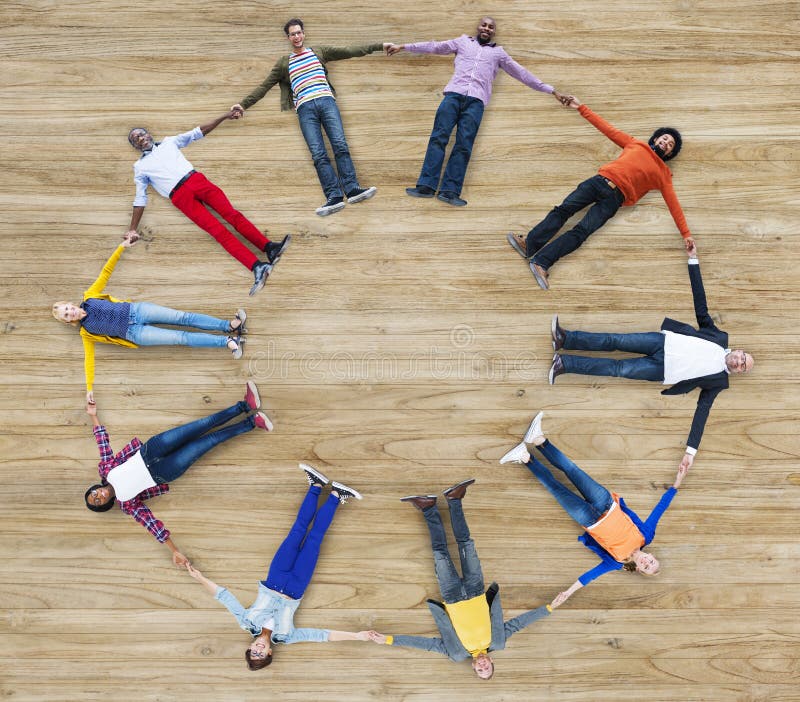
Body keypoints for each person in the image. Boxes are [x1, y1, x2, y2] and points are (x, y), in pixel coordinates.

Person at [548, 241, 753, 471]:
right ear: (737, 350)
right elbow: (701, 306)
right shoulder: (719, 337)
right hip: (663, 341)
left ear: (737, 371)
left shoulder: (718, 383)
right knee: (615, 340)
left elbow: (701, 413)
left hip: (660, 370)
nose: (739, 362)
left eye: (742, 367)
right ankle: (565, 339)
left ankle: (564, 364)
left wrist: (690, 452)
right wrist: (693, 260)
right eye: (742, 357)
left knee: (616, 369)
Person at [366, 479, 556, 679]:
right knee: (466, 543)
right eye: (487, 668)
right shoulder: (498, 641)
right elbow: (519, 624)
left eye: (480, 670)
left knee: (440, 552)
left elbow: (425, 645)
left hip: (451, 594)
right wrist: (549, 608)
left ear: (474, 667)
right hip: (475, 588)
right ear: (492, 662)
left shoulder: (456, 653)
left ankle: (428, 507)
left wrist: (388, 640)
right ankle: (454, 498)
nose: (482, 666)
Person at [185, 463, 367, 670]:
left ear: (251, 646)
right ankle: (336, 495)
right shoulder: (287, 636)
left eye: (253, 652)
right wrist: (357, 636)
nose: (258, 649)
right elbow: (321, 635)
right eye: (261, 654)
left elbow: (223, 596)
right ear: (269, 652)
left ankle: (316, 485)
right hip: (297, 585)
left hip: (276, 577)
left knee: (297, 531)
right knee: (315, 539)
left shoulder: (246, 622)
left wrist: (199, 577)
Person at [499, 411, 689, 607]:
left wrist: (568, 592)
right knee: (573, 470)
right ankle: (538, 439)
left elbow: (590, 576)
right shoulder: (646, 536)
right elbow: (659, 511)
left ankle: (525, 457)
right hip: (605, 502)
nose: (646, 563)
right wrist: (677, 482)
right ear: (651, 555)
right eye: (651, 562)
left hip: (588, 519)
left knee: (555, 488)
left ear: (639, 570)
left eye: (646, 568)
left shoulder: (616, 562)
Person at [507, 94, 693, 289]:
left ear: (669, 153)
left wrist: (686, 234)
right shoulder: (636, 144)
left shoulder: (663, 174)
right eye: (665, 138)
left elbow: (674, 205)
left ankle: (541, 262)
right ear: (656, 137)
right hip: (597, 182)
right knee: (562, 210)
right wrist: (581, 107)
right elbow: (607, 128)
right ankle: (529, 244)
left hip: (613, 200)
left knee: (581, 232)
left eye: (670, 145)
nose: (666, 143)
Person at [84, 382, 272, 566]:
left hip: (152, 449)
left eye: (95, 494)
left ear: (96, 488)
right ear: (106, 504)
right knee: (210, 440)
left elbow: (102, 441)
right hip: (165, 471)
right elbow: (151, 524)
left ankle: (245, 405)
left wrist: (93, 415)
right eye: (98, 501)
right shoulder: (127, 504)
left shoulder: (106, 470)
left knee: (202, 425)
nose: (99, 496)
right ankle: (252, 422)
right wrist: (174, 551)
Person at [386, 17, 567, 207]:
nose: (486, 28)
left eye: (491, 27)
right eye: (484, 25)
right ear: (478, 27)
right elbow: (434, 46)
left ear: (494, 32)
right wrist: (403, 46)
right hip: (453, 97)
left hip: (476, 102)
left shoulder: (499, 54)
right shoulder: (462, 42)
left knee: (464, 145)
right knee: (438, 138)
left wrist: (552, 91)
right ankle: (426, 186)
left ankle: (449, 191)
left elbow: (522, 73)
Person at [53, 233, 248, 406]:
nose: (71, 312)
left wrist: (121, 247)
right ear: (68, 321)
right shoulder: (86, 333)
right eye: (67, 314)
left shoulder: (90, 296)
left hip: (137, 311)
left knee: (183, 317)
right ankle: (228, 342)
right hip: (136, 334)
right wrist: (89, 388)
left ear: (71, 304)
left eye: (68, 308)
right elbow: (89, 360)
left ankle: (228, 326)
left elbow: (105, 272)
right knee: (181, 338)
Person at [231, 18, 385, 217]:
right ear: (288, 38)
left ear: (304, 34)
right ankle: (334, 197)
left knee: (340, 145)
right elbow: (264, 86)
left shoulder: (318, 52)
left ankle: (353, 189)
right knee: (318, 153)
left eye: (299, 32)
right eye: (292, 34)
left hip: (326, 102)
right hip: (305, 109)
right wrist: (243, 105)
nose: (297, 36)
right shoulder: (284, 63)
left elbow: (349, 50)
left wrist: (379, 46)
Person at [126, 110, 290, 296]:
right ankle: (257, 267)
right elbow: (140, 198)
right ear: (135, 146)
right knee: (218, 232)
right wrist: (132, 229)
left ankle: (270, 248)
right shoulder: (139, 167)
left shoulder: (169, 142)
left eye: (141, 134)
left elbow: (198, 132)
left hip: (197, 180)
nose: (140, 138)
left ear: (148, 134)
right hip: (180, 197)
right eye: (135, 139)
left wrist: (225, 116)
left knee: (233, 215)